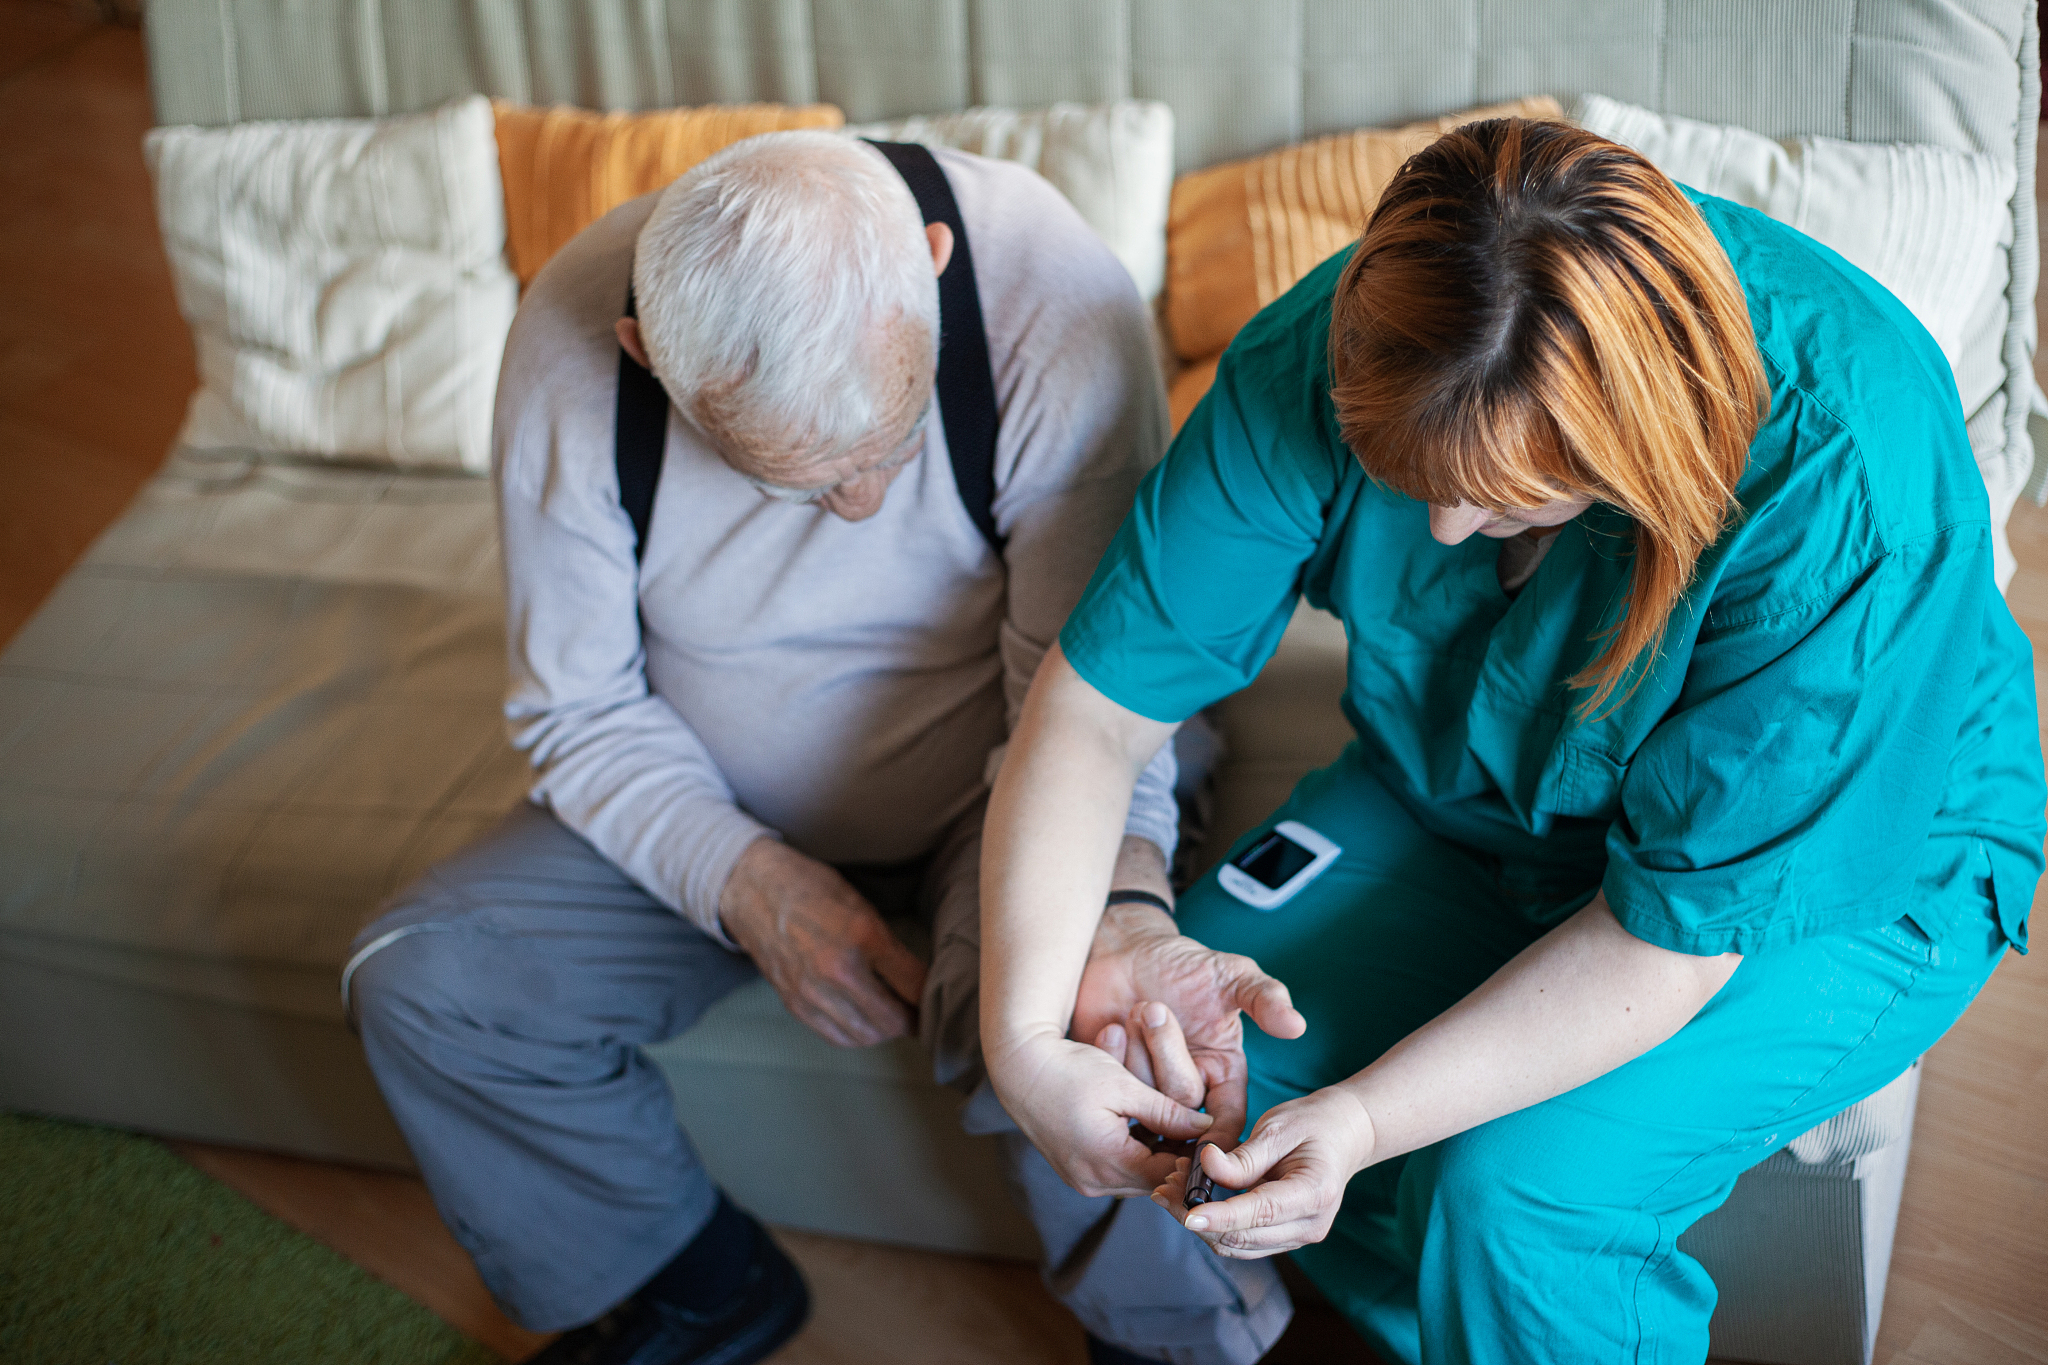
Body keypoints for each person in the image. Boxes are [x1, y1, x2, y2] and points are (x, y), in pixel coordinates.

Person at [977, 117, 2045, 1364]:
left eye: (1499, 493)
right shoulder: (1342, 343)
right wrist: (1023, 1043)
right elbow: (1097, 710)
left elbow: (1669, 945)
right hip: (1461, 792)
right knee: (1174, 1052)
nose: (1436, 532)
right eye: (1407, 477)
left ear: (1629, 438)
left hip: (1831, 867)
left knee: (1513, 1197)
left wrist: (1368, 1120)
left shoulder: (1847, 471)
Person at [343, 132, 1293, 1365]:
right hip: (716, 787)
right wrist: (748, 884)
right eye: (798, 483)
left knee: (1094, 1020)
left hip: (1010, 775)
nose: (858, 507)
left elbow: (1093, 707)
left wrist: (1107, 910)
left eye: (886, 455)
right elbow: (576, 709)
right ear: (649, 355)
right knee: (422, 980)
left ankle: (1180, 1345)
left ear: (932, 265)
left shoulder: (1042, 289)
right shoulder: (575, 339)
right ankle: (697, 1286)